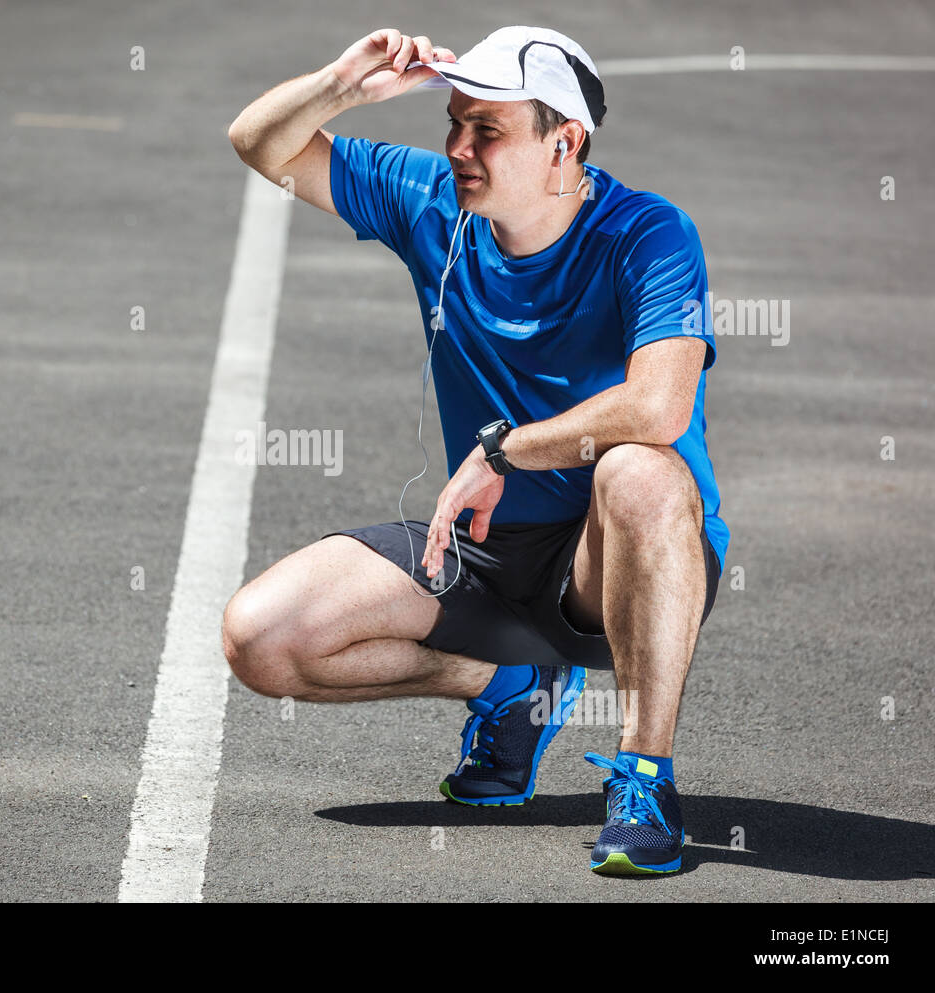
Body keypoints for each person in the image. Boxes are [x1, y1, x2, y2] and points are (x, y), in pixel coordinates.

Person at [222, 24, 728, 876]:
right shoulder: (428, 202)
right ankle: (506, 688)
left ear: (562, 142)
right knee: (261, 640)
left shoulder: (648, 234)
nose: (457, 146)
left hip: (616, 566)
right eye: (454, 123)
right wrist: (343, 83)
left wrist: (505, 452)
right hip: (485, 554)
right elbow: (258, 144)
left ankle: (643, 778)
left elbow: (660, 405)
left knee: (640, 470)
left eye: (486, 131)